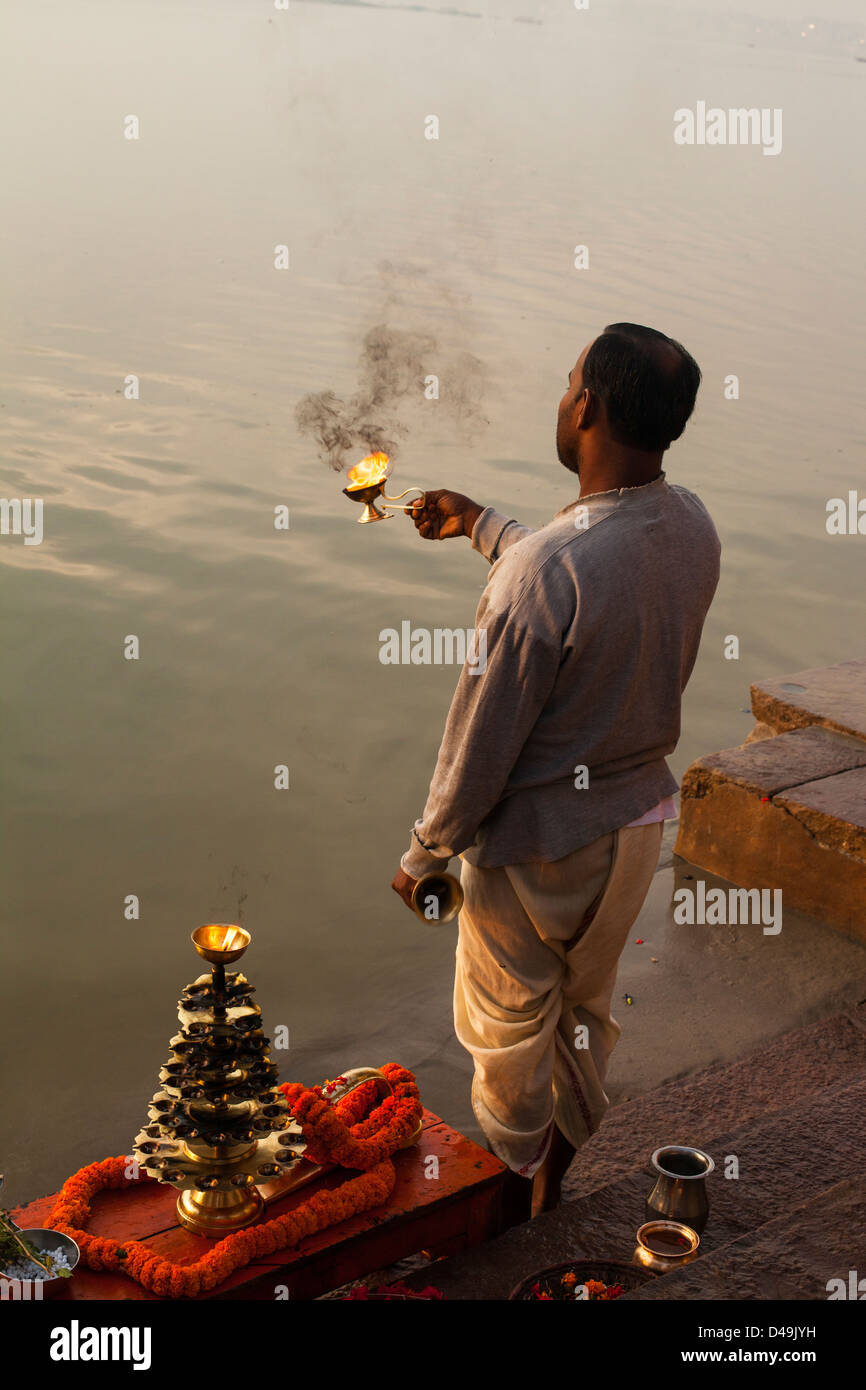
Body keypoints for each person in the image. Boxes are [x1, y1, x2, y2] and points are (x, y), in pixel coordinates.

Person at [390, 323, 721, 1220]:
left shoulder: (543, 572)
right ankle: (551, 1196)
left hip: (537, 853)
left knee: (506, 1042)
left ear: (587, 406)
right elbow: (594, 573)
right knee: (583, 1021)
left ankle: (510, 1221)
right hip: (637, 827)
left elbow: (481, 744)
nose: (562, 393)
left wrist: (424, 853)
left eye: (569, 380)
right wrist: (484, 525)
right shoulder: (689, 522)